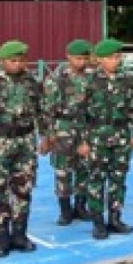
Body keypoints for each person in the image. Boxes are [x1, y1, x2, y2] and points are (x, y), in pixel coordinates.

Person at [83, 38, 133, 239]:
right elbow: (80, 114)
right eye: (111, 57)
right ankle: (98, 221)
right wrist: (82, 141)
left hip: (122, 135)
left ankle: (115, 219)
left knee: (119, 178)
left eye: (118, 57)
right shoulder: (89, 81)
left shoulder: (127, 79)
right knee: (96, 179)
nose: (115, 61)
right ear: (100, 59)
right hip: (97, 136)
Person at [0, 40, 43, 255]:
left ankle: (19, 233)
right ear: (2, 61)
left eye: (21, 60)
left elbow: (41, 109)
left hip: (25, 142)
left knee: (23, 188)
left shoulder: (31, 81)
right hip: (0, 142)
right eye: (12, 60)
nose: (18, 64)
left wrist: (47, 136)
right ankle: (1, 236)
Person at [42, 39, 94, 225]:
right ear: (68, 57)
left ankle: (81, 206)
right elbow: (48, 110)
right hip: (63, 130)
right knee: (63, 171)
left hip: (86, 129)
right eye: (78, 58)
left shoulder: (92, 76)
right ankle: (65, 210)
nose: (82, 62)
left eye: (85, 58)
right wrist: (48, 136)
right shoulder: (56, 78)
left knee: (84, 169)